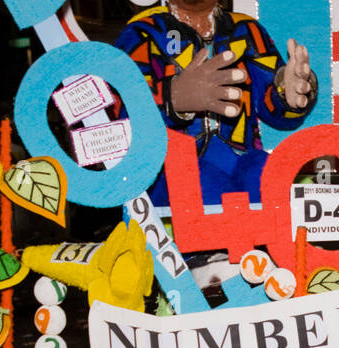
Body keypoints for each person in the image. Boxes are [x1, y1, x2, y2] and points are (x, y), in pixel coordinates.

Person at [114, 0, 317, 205]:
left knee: (266, 176)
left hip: (242, 156)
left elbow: (275, 110)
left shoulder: (246, 30)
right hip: (169, 167)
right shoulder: (142, 34)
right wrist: (170, 99)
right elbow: (121, 114)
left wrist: (289, 93)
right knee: (205, 187)